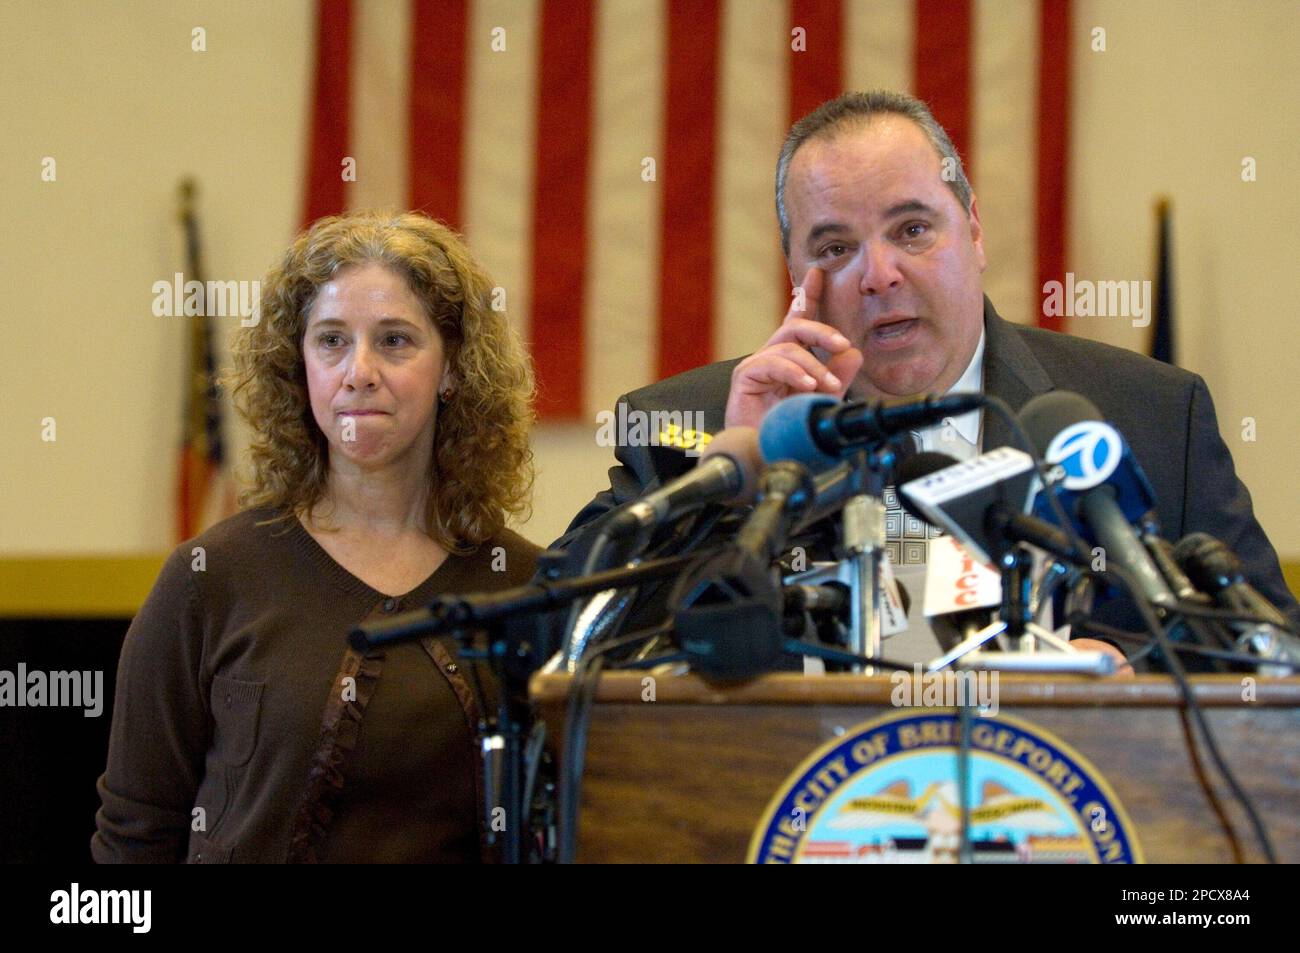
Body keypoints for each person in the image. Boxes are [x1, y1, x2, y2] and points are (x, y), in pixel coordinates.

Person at [555, 90, 1299, 666]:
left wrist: (1136, 684)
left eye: (912, 229)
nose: (878, 275)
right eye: (836, 246)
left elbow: (1269, 666)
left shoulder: (1153, 414)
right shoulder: (690, 425)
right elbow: (552, 628)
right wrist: (737, 470)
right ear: (795, 276)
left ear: (973, 230)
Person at [93, 210, 541, 863]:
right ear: (298, 367)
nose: (359, 371)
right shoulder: (209, 576)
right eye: (331, 341)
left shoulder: (523, 585)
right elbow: (134, 836)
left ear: (452, 370)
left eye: (394, 340)